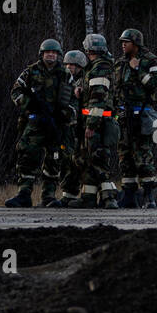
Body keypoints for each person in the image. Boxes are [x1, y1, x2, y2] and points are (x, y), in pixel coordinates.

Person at [6, 38, 75, 207]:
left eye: (53, 52)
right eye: (47, 52)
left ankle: (49, 196)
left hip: (56, 124)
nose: (50, 55)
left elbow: (74, 99)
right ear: (42, 54)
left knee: (55, 158)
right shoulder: (31, 71)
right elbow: (16, 91)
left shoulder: (65, 74)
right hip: (35, 122)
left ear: (58, 55)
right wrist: (29, 105)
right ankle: (24, 194)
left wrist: (65, 114)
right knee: (27, 156)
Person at [64, 34, 121, 208]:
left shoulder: (99, 67)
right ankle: (89, 197)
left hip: (98, 122)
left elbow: (98, 98)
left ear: (89, 49)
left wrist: (91, 125)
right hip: (97, 120)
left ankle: (109, 198)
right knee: (88, 160)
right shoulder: (96, 67)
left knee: (98, 160)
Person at [113, 28, 157, 208]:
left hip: (141, 112)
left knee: (143, 155)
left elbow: (154, 85)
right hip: (124, 113)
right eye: (122, 42)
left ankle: (149, 196)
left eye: (126, 41)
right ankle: (128, 196)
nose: (123, 44)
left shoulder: (150, 60)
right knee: (124, 156)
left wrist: (138, 70)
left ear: (135, 43)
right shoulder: (119, 63)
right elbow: (115, 88)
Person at [56, 50, 88, 206]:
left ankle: (84, 194)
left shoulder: (84, 81)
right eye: (67, 64)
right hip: (65, 127)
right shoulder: (62, 80)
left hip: (80, 126)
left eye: (73, 65)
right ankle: (68, 194)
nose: (70, 67)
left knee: (80, 160)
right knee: (65, 160)